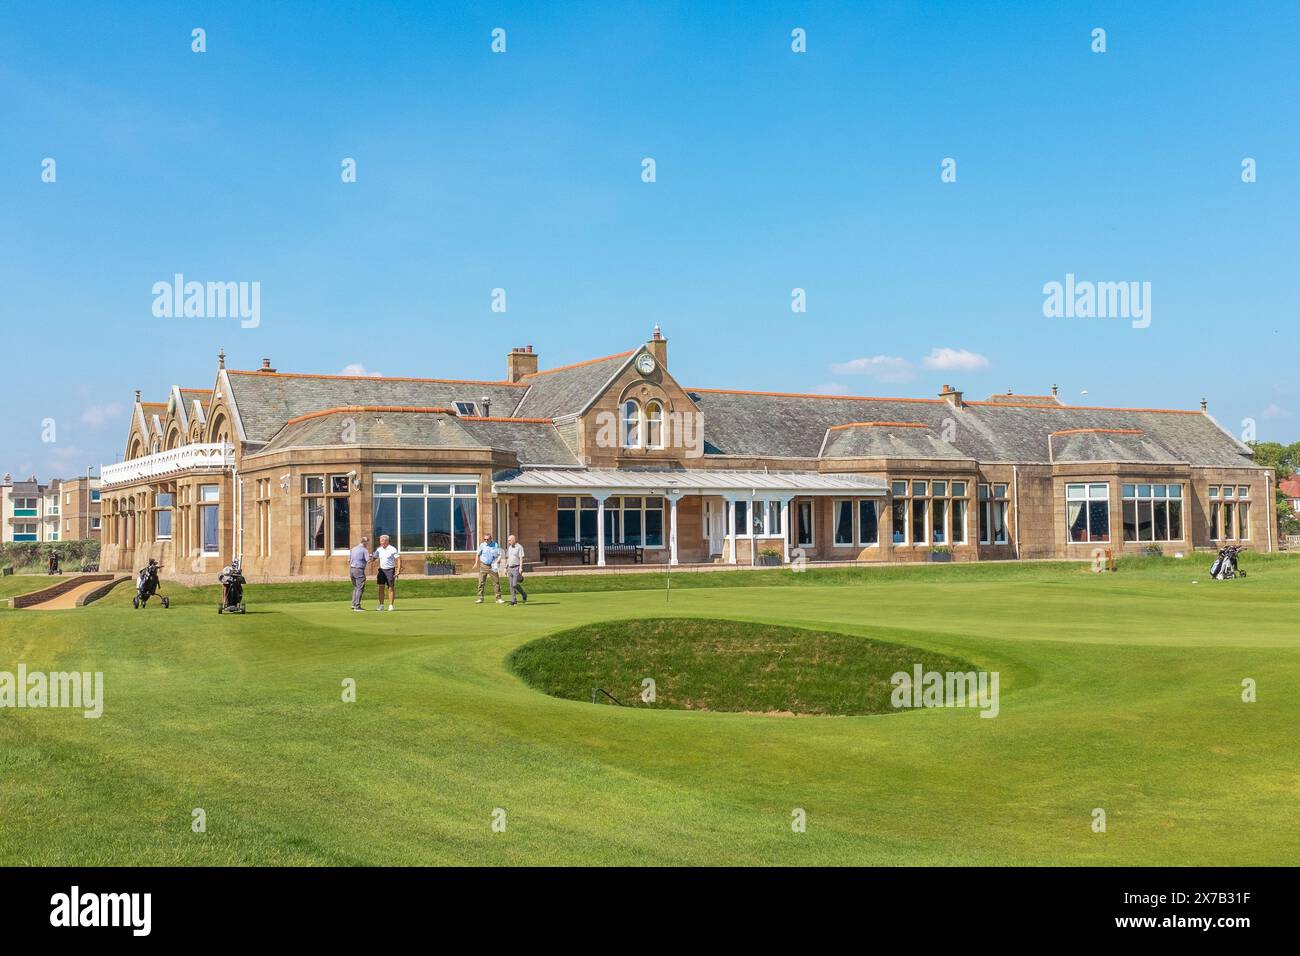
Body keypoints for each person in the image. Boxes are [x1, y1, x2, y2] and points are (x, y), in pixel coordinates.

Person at [373, 533, 400, 611]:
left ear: (387, 541)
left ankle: (391, 605)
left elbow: (398, 559)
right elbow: (374, 557)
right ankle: (381, 605)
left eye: (383, 541)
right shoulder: (379, 549)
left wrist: (398, 570)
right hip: (381, 571)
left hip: (390, 570)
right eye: (381, 541)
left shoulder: (392, 549)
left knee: (390, 588)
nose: (382, 542)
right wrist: (370, 559)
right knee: (381, 588)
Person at [475, 534, 504, 604]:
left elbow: (500, 554)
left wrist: (497, 562)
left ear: (491, 539)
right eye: (485, 539)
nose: (486, 541)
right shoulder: (482, 545)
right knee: (481, 582)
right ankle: (480, 598)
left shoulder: (495, 545)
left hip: (492, 566)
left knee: (496, 582)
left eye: (487, 539)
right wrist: (476, 563)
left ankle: (498, 598)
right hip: (483, 565)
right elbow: (478, 554)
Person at [348, 536, 371, 611]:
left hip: (351, 569)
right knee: (360, 587)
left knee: (356, 587)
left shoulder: (353, 549)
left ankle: (353, 604)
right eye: (367, 542)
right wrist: (373, 557)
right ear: (364, 542)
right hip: (359, 569)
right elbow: (368, 560)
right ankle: (357, 606)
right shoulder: (364, 550)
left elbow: (349, 560)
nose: (368, 544)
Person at [504, 533, 528, 606]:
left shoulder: (519, 547)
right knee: (511, 585)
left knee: (514, 584)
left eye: (510, 540)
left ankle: (524, 594)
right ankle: (514, 600)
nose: (509, 542)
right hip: (509, 568)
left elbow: (521, 558)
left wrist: (521, 568)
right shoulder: (510, 547)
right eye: (508, 540)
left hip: (516, 567)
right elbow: (508, 558)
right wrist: (505, 568)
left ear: (514, 540)